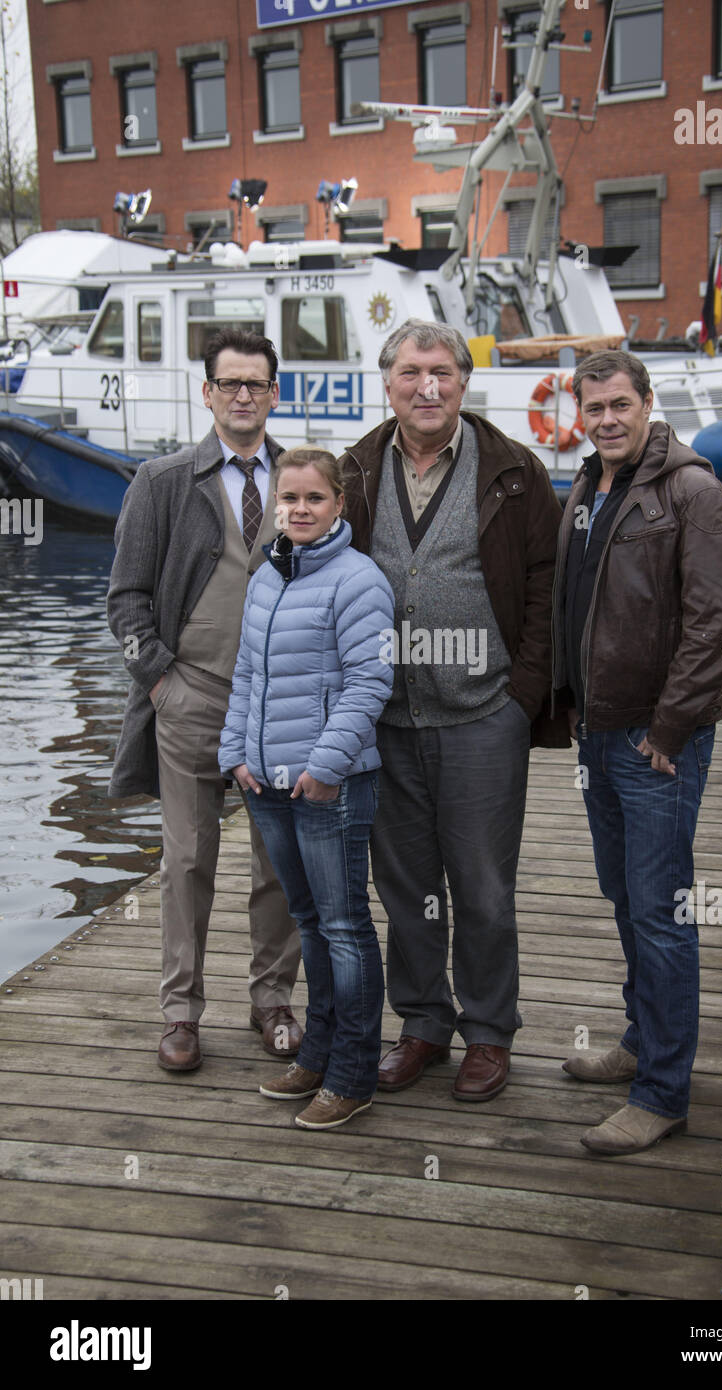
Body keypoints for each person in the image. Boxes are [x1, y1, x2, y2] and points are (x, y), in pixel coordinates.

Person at [340, 318, 568, 1103]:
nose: (426, 387)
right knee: (404, 885)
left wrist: (520, 698)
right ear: (388, 382)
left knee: (480, 885)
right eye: (410, 373)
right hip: (386, 717)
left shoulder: (513, 471)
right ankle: (424, 1025)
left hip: (482, 715)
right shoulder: (356, 469)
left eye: (441, 372)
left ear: (463, 384)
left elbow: (545, 590)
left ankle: (489, 1032)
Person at [553, 349, 722, 1155]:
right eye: (593, 408)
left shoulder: (693, 492)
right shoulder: (589, 488)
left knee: (663, 912)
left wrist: (669, 731)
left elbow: (719, 624)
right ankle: (642, 1040)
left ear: (647, 403)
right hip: (598, 734)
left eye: (619, 406)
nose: (606, 420)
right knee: (626, 897)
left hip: (654, 740)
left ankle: (662, 1092)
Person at [107, 328, 303, 1072]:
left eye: (257, 383)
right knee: (187, 859)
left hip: (280, 708)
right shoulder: (161, 482)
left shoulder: (300, 479)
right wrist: (160, 682)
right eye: (231, 384)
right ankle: (181, 1013)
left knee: (279, 861)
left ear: (275, 394)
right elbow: (124, 601)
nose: (245, 395)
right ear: (209, 393)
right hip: (189, 699)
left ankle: (273, 1000)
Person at [219, 448, 394, 1129]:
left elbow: (369, 683)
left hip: (330, 786)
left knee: (346, 927)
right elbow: (246, 678)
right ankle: (317, 1054)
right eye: (288, 498)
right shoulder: (268, 575)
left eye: (313, 499)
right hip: (265, 782)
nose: (298, 509)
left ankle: (353, 1074)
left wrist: (326, 765)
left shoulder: (359, 581)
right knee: (311, 923)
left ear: (338, 505)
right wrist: (235, 752)